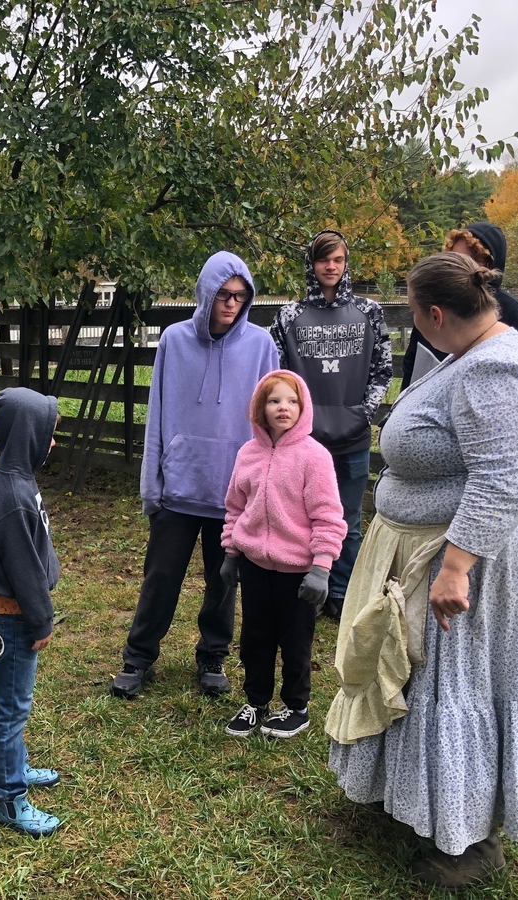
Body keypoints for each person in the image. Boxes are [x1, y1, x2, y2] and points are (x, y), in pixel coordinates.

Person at [327, 252, 518, 888]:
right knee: (435, 681)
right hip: (455, 549)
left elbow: (506, 474)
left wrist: (458, 565)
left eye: (413, 313)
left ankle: (473, 841)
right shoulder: (479, 354)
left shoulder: (493, 369)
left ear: (435, 314)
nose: (413, 324)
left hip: (485, 562)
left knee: (467, 687)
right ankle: (428, 805)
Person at [111, 251, 280, 699]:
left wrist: (263, 487)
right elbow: (158, 415)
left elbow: (271, 422)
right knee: (160, 578)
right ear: (206, 293)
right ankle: (138, 657)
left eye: (240, 297)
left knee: (223, 582)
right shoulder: (174, 340)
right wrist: (153, 486)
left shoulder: (262, 346)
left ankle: (212, 658)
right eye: (223, 294)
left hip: (232, 494)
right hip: (179, 489)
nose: (231, 304)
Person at [270, 230, 392, 621]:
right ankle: (307, 587)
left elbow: (383, 369)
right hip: (304, 441)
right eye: (324, 259)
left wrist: (363, 412)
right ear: (312, 264)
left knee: (348, 520)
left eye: (337, 259)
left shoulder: (369, 313)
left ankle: (340, 592)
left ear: (346, 262)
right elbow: (278, 373)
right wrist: (292, 420)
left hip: (352, 437)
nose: (331, 267)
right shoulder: (288, 316)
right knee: (302, 516)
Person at [221, 370, 346, 739]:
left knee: (295, 641)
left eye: (292, 401)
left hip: (299, 572)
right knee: (255, 638)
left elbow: (328, 516)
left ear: (303, 407)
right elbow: (234, 507)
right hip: (255, 565)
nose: (283, 408)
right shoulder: (248, 453)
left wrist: (321, 567)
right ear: (260, 408)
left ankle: (296, 707)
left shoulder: (314, 457)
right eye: (274, 400)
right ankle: (256, 703)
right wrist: (231, 552)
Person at [0, 387, 63, 836]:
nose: (52, 442)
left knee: (14, 706)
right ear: (29, 432)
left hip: (13, 614)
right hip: (12, 618)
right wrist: (41, 618)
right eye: (48, 433)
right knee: (9, 711)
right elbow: (25, 568)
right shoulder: (11, 492)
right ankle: (10, 798)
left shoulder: (17, 479)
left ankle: (18, 768)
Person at [401, 222, 518, 388]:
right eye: (452, 258)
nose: (455, 266)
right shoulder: (430, 302)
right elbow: (412, 361)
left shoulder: (514, 314)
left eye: (465, 260)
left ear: (487, 265)